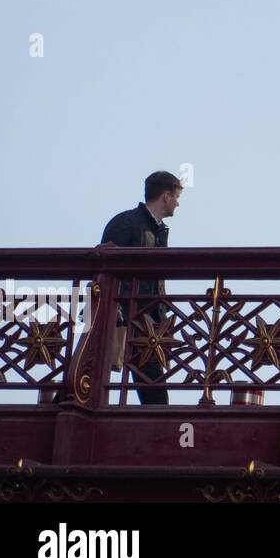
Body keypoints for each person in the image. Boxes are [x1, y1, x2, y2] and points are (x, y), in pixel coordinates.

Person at [99, 171, 183, 405]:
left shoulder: (156, 229)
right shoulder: (126, 222)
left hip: (146, 322)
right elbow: (106, 268)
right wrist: (117, 311)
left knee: (92, 375)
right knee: (92, 372)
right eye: (176, 197)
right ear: (166, 196)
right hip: (127, 317)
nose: (177, 203)